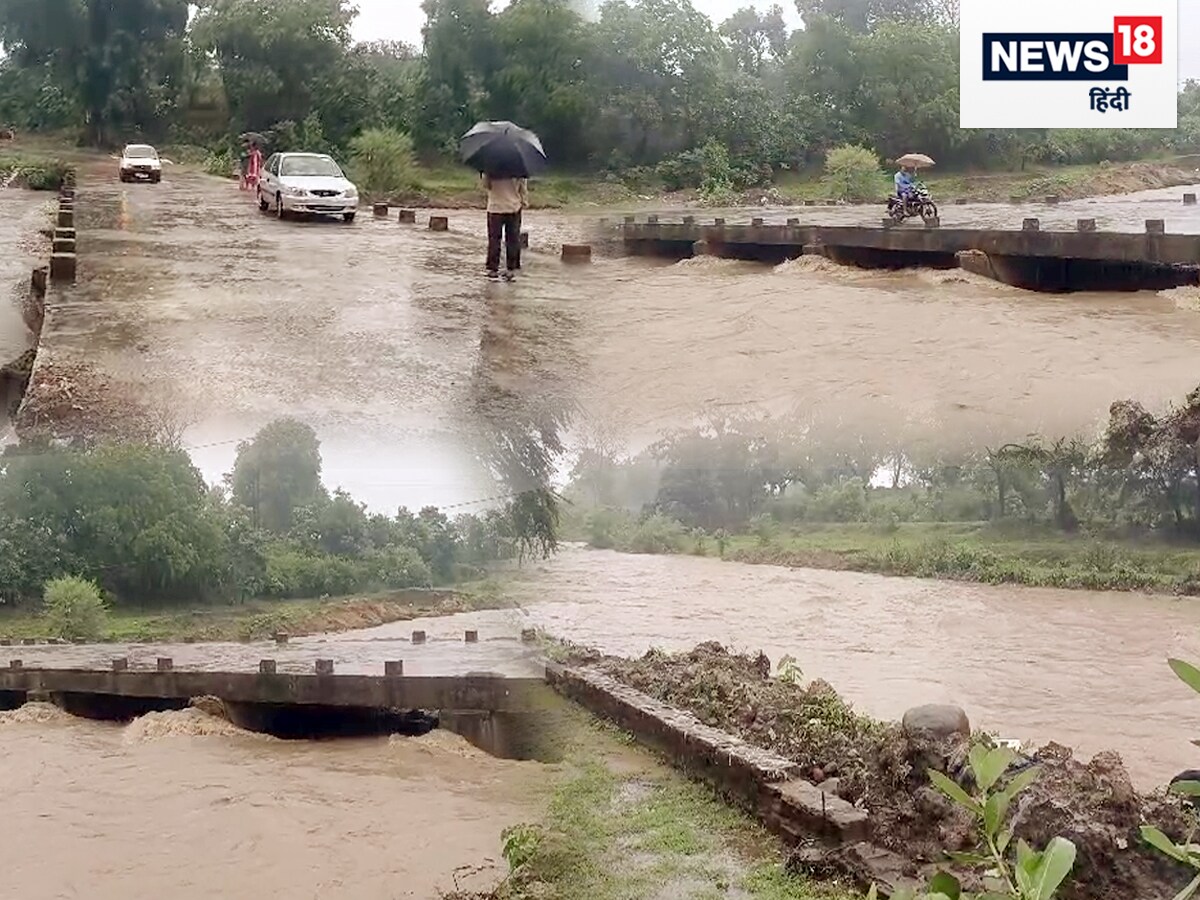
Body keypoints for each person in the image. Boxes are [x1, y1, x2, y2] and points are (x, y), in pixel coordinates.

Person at [483, 173, 528, 281]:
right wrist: (524, 201)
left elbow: (486, 185)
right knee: (512, 239)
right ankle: (511, 268)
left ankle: (493, 269)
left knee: (494, 239)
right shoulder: (518, 169)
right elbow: (523, 189)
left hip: (495, 208)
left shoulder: (491, 169)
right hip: (513, 207)